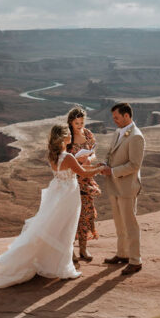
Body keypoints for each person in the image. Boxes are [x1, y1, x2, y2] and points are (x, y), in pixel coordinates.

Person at [0, 124, 105, 291]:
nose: (70, 136)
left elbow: (78, 169)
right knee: (66, 229)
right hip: (68, 195)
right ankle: (64, 269)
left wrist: (94, 168)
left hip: (58, 194)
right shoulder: (68, 156)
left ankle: (56, 264)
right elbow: (83, 173)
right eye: (68, 134)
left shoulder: (54, 156)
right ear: (61, 138)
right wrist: (100, 169)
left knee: (55, 228)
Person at [100, 102, 145, 276]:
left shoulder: (136, 136)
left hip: (127, 187)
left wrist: (112, 171)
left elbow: (134, 165)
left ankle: (135, 260)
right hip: (115, 185)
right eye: (113, 118)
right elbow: (111, 154)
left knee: (130, 224)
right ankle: (122, 254)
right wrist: (105, 164)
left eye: (117, 117)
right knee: (119, 223)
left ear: (127, 116)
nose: (115, 121)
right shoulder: (119, 132)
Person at [66, 107, 101, 262]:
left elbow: (93, 152)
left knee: (86, 214)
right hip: (73, 179)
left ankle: (84, 250)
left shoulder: (87, 134)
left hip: (86, 178)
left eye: (81, 122)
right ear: (70, 122)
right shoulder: (67, 137)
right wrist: (76, 160)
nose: (79, 125)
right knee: (72, 215)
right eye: (76, 123)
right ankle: (70, 251)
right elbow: (63, 156)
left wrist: (89, 159)